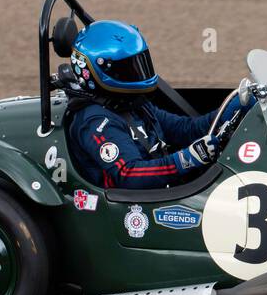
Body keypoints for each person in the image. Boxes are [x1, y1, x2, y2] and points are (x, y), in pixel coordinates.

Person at [65, 20, 252, 188]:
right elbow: (128, 174)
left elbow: (188, 129)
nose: (138, 72)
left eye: (139, 63)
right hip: (134, 209)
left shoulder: (133, 104)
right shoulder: (96, 122)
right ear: (96, 71)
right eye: (128, 68)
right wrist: (186, 159)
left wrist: (238, 104)